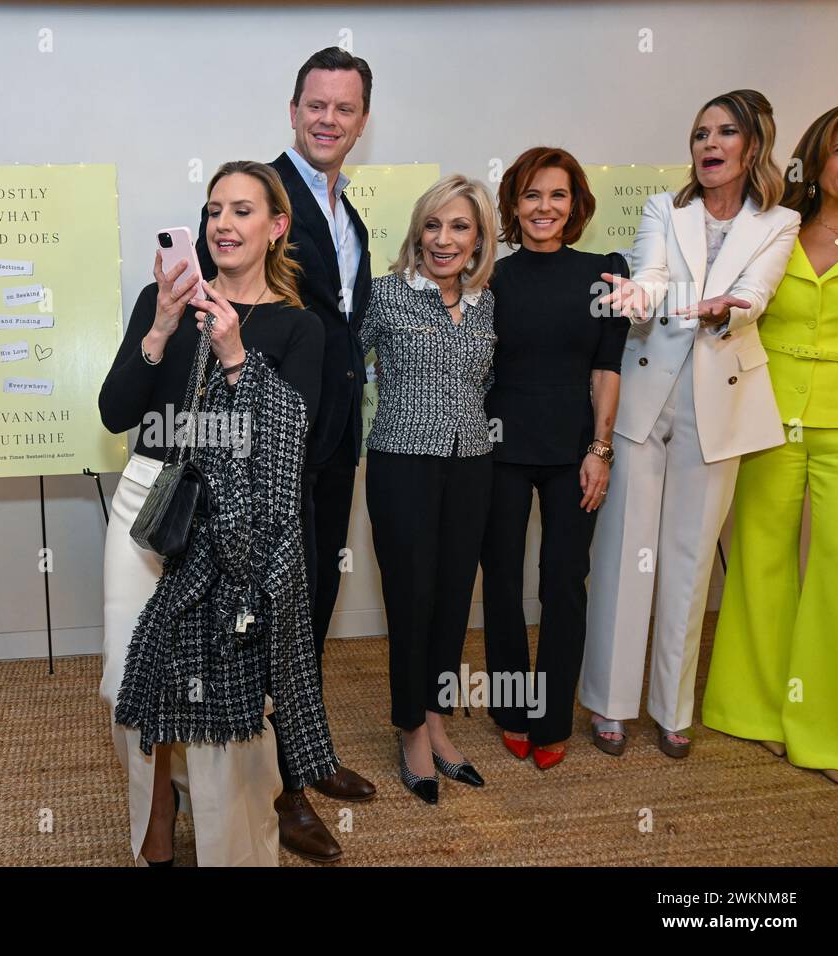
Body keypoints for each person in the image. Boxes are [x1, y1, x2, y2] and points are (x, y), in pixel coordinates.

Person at [99, 161, 328, 866]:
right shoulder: (159, 298)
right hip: (149, 500)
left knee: (223, 698)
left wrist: (235, 359)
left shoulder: (298, 327)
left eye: (241, 211)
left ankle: (234, 848)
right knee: (126, 680)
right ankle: (158, 816)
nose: (222, 225)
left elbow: (289, 442)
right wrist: (163, 329)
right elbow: (115, 412)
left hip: (234, 522)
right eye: (213, 210)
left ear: (276, 227)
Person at [195, 46, 375, 862]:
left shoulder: (350, 214)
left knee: (309, 609)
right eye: (316, 105)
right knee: (263, 617)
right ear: (293, 110)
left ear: (361, 120)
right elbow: (217, 302)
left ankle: (304, 749)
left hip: (330, 442)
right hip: (265, 444)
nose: (328, 119)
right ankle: (284, 794)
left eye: (344, 108)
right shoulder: (258, 197)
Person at [583, 90, 800, 759]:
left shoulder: (780, 222)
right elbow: (647, 276)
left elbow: (754, 298)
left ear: (753, 146)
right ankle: (611, 705)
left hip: (721, 406)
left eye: (724, 132)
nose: (708, 144)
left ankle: (672, 710)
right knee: (624, 554)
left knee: (689, 558)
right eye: (700, 133)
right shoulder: (663, 209)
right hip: (646, 397)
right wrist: (636, 295)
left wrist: (719, 307)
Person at [703, 104, 838, 785]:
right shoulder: (778, 226)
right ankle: (755, 709)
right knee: (759, 558)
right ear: (818, 156)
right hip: (767, 412)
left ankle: (824, 728)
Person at [480, 148, 630, 771]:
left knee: (565, 584)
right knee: (504, 585)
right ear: (513, 205)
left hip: (575, 452)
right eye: (532, 195)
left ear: (576, 205)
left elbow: (608, 367)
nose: (545, 208)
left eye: (557, 195)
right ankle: (513, 708)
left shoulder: (605, 273)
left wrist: (600, 449)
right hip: (495, 449)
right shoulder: (490, 276)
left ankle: (553, 717)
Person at [362, 174, 498, 805]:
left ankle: (439, 719)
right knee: (411, 598)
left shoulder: (487, 303)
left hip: (471, 465)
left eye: (460, 227)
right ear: (418, 231)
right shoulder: (384, 296)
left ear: (478, 240)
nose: (445, 239)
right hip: (401, 466)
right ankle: (412, 728)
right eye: (434, 225)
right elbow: (336, 367)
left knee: (451, 598)